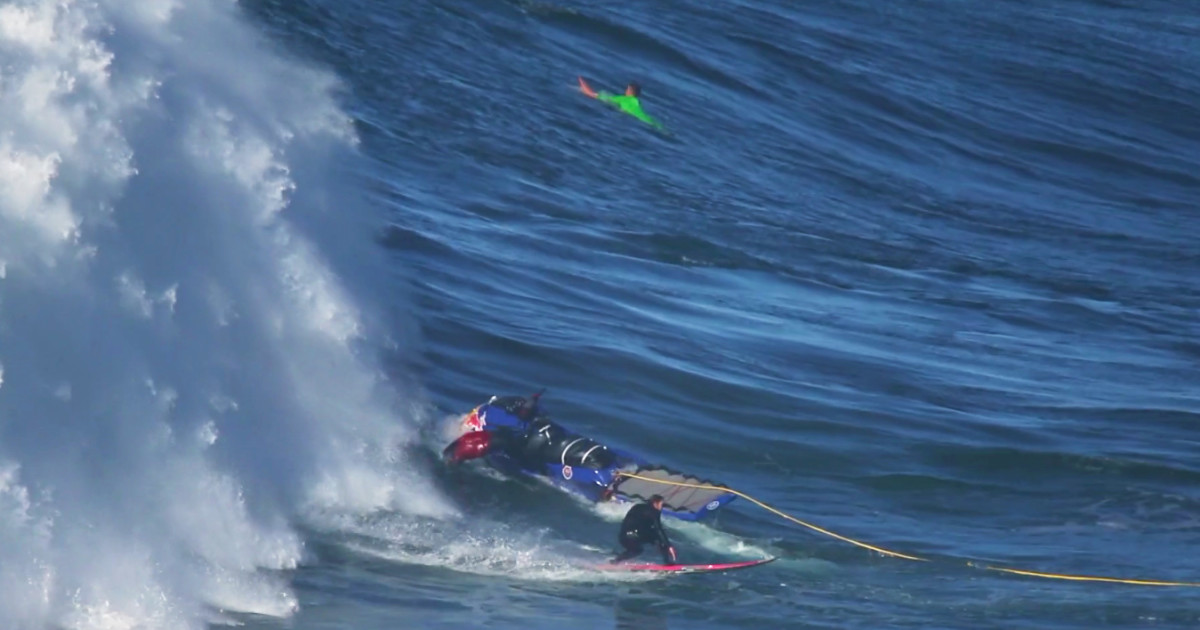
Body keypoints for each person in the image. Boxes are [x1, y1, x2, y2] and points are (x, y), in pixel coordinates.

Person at [578, 77, 664, 130]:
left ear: (629, 90)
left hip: (632, 116)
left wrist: (582, 82)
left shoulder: (623, 99)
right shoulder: (637, 102)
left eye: (627, 89)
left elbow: (591, 94)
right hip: (649, 120)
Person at [612, 495, 677, 564]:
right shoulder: (654, 512)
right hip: (634, 536)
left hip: (623, 535)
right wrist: (668, 545)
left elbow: (629, 521)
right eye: (661, 504)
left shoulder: (637, 506)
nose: (661, 507)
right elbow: (659, 529)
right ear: (655, 503)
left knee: (636, 550)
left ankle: (616, 561)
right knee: (659, 538)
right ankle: (667, 563)